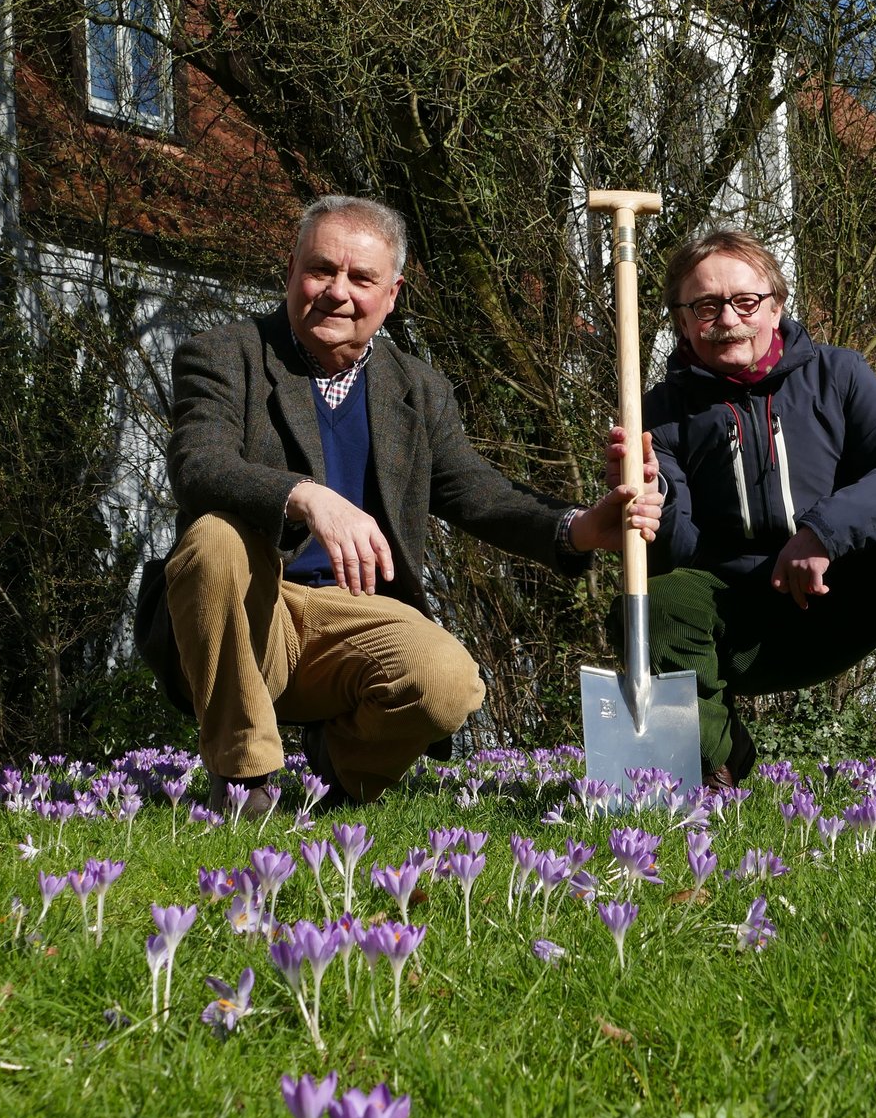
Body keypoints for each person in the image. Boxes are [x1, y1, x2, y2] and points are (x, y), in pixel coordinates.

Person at [137, 195, 658, 811]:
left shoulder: (416, 388)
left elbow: (475, 492)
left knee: (449, 683)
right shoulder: (227, 354)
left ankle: (334, 776)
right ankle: (246, 780)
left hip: (356, 620)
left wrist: (577, 527)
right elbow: (199, 465)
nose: (338, 292)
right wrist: (307, 498)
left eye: (361, 278)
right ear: (291, 271)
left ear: (392, 294)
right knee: (215, 537)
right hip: (253, 609)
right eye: (321, 270)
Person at [610, 228, 876, 788]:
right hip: (737, 623)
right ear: (682, 320)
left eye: (745, 301)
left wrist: (823, 533)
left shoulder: (839, 375)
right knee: (655, 601)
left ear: (775, 307)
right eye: (705, 306)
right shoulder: (659, 411)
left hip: (838, 602)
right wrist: (655, 499)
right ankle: (719, 754)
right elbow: (676, 553)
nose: (728, 319)